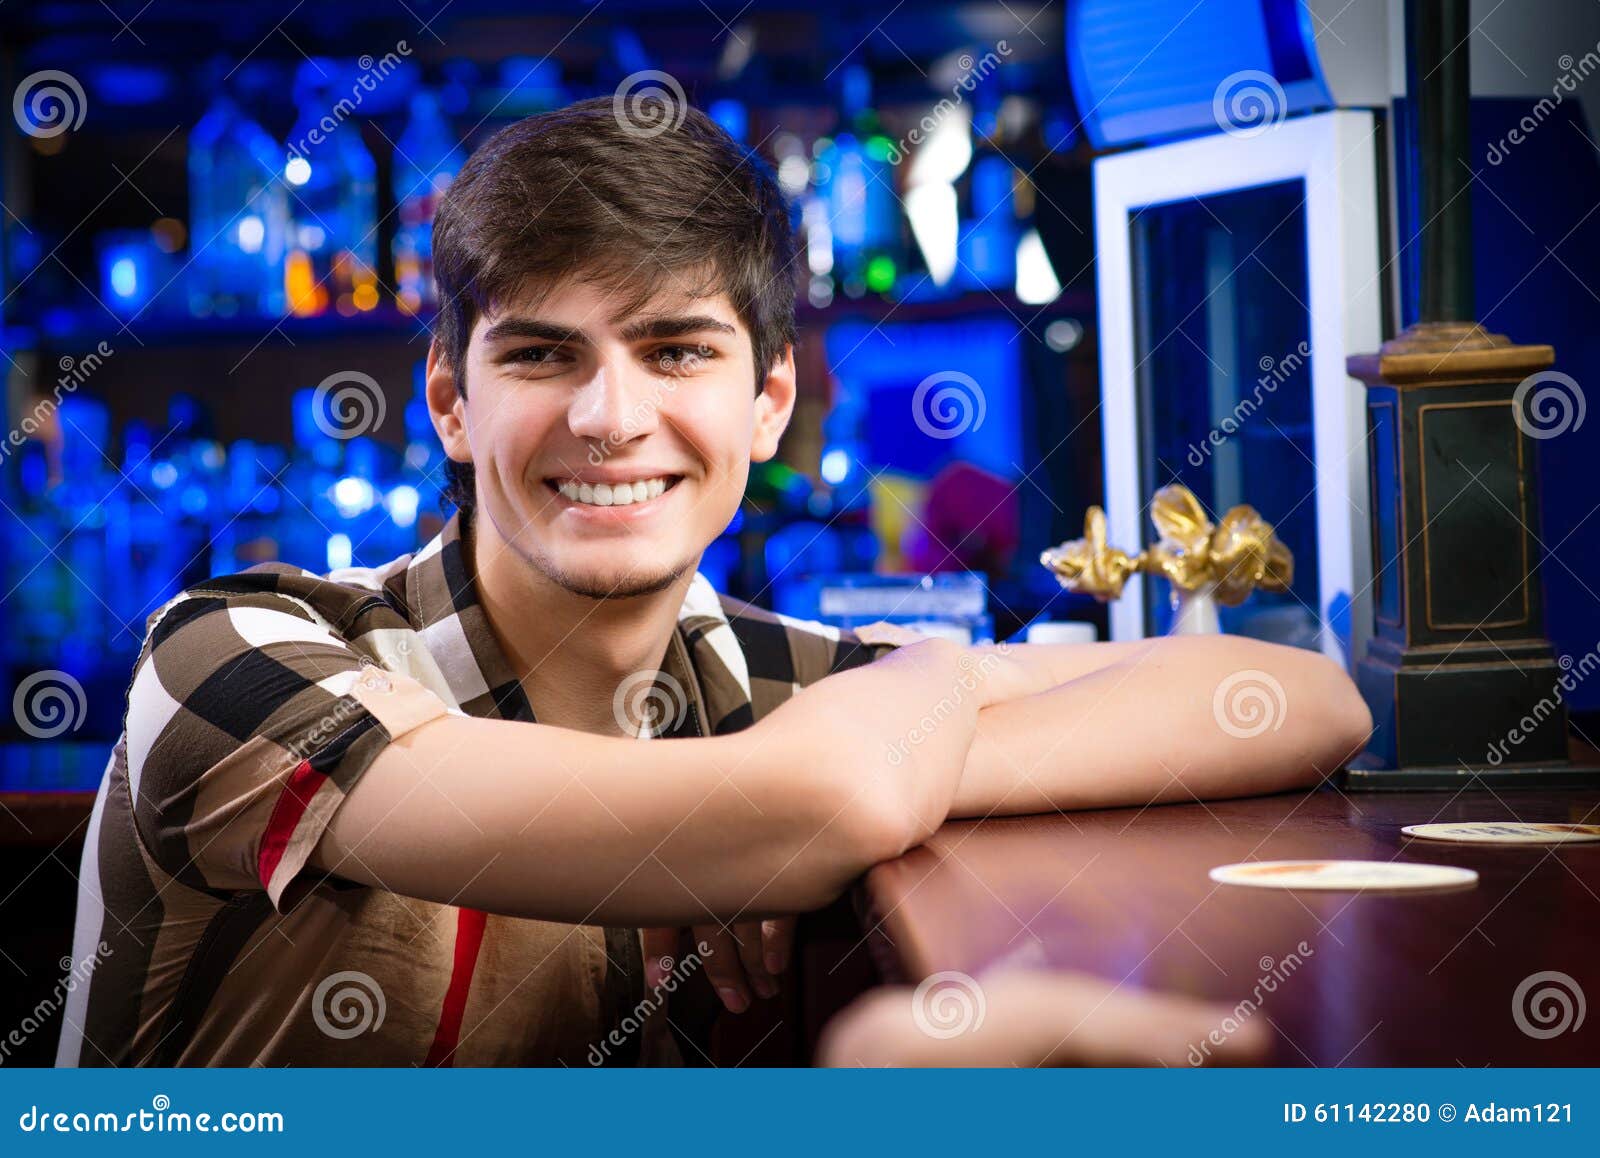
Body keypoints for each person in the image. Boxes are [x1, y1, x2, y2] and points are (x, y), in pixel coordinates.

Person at [57, 96, 1371, 1068]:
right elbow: (847, 779)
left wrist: (900, 715)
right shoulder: (226, 660)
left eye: (677, 349)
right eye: (541, 357)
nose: (610, 417)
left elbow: (1298, 694)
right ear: (452, 402)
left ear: (769, 400)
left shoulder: (774, 689)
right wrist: (819, 791)